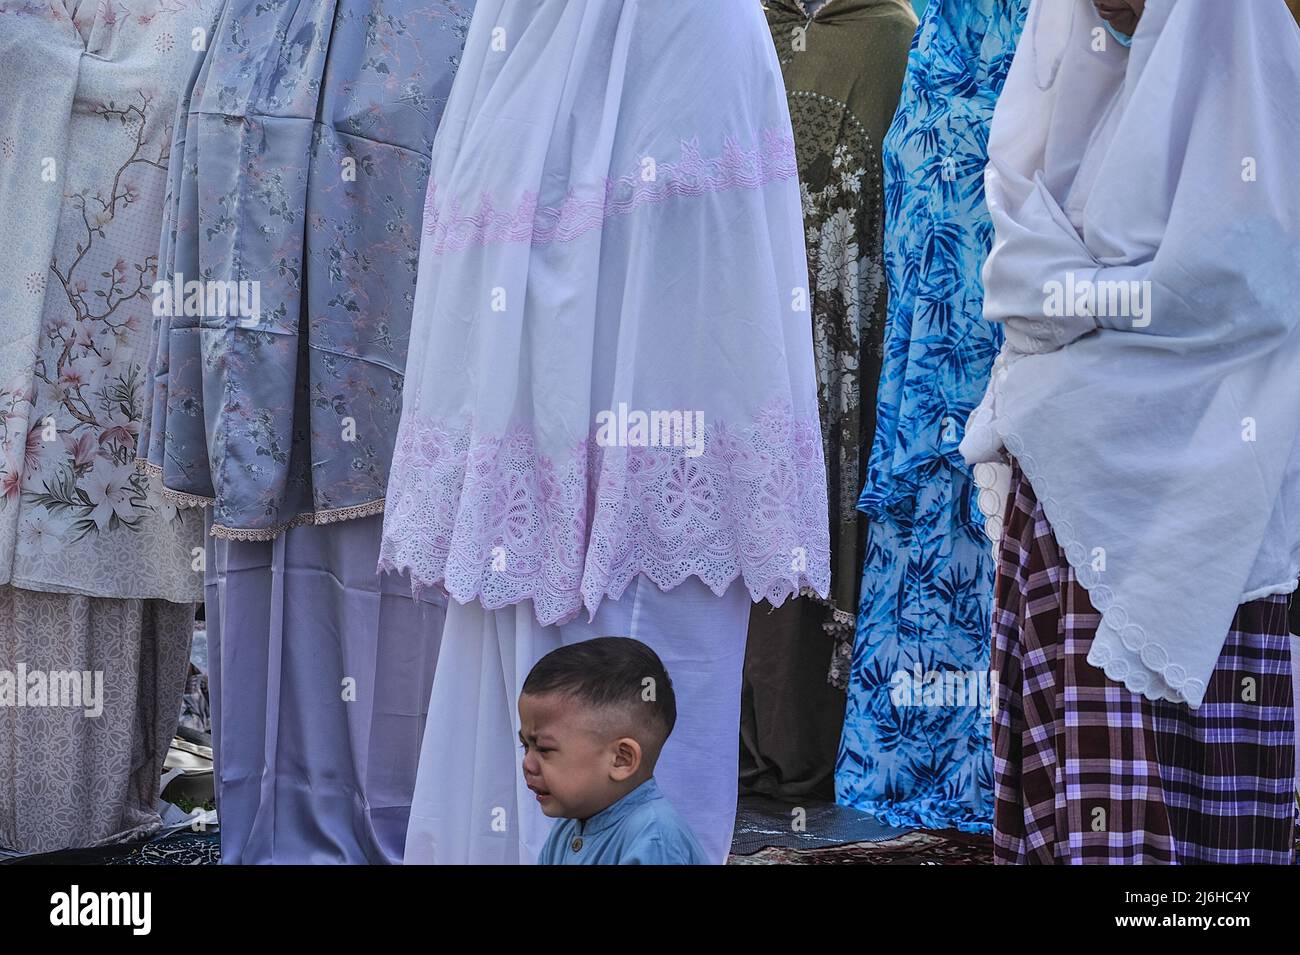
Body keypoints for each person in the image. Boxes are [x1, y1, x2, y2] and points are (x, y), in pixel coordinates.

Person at [380, 0, 829, 865]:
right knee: (558, 694)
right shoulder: (528, 28)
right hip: (553, 450)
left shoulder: (699, 31)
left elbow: (706, 282)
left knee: (647, 676)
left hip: (655, 451)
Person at [962, 0, 1300, 863]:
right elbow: (1016, 272)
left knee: (1209, 793)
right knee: (1086, 784)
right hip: (1074, 494)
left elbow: (1244, 286)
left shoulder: (1253, 85)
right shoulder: (1068, 87)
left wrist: (1087, 321)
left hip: (1214, 507)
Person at [523, 638, 709, 866]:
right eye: (525, 746)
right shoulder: (570, 827)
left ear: (621, 759)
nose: (527, 764)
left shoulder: (654, 840)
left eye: (544, 749)